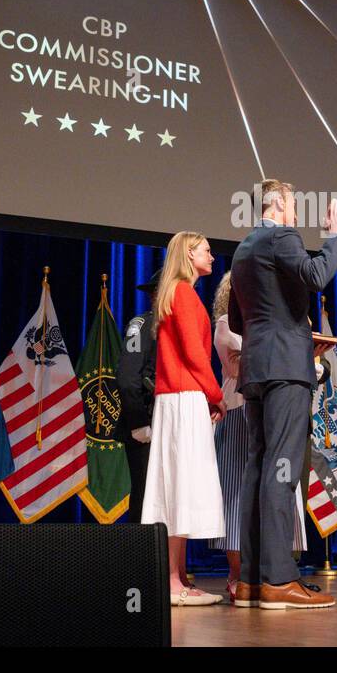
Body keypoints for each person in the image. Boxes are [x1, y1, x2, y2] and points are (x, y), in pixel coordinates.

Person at [229, 180, 337, 610]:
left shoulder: (243, 248)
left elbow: (239, 321)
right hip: (284, 370)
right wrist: (334, 239)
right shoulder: (281, 235)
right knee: (282, 468)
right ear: (278, 204)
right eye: (294, 204)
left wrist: (287, 333)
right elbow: (317, 276)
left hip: (258, 367)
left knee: (258, 470)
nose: (297, 212)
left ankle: (250, 583)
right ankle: (278, 580)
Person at [210, 272, 307, 602]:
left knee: (276, 485)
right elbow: (236, 367)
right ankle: (239, 574)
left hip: (266, 406)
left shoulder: (263, 323)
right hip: (238, 412)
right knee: (239, 491)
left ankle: (271, 571)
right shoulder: (226, 323)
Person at [141, 232, 227, 606]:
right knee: (180, 487)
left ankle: (175, 579)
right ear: (190, 253)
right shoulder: (184, 293)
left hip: (177, 399)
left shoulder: (174, 292)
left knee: (175, 488)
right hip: (185, 398)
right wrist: (217, 396)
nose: (212, 254)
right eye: (206, 249)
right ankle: (173, 581)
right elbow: (195, 355)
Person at [119, 272, 159, 523]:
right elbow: (127, 377)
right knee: (145, 500)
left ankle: (166, 562)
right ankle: (140, 561)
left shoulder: (174, 326)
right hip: (146, 420)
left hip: (169, 423)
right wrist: (138, 422)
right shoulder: (142, 325)